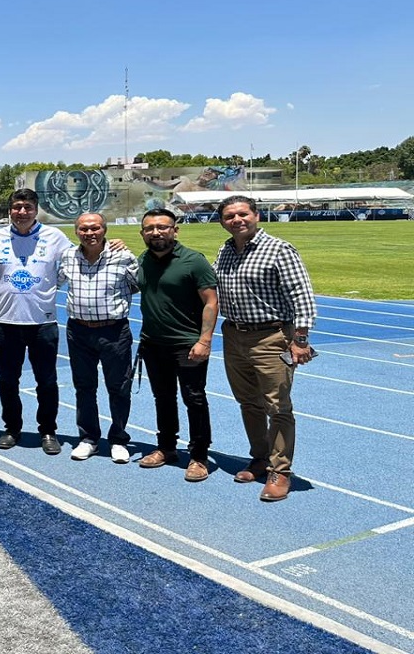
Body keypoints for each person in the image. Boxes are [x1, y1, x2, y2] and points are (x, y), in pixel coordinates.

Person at [213, 195, 317, 502]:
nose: (237, 220)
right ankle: (260, 458)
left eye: (243, 214)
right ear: (223, 222)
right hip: (233, 335)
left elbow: (302, 296)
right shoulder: (226, 250)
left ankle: (280, 470)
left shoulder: (279, 249)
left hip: (271, 336)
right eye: (230, 216)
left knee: (278, 406)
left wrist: (299, 340)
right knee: (248, 402)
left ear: (256, 215)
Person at [0, 188, 74, 455]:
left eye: (28, 207)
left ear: (36, 210)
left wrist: (56, 282)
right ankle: (12, 428)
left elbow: (75, 260)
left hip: (42, 324)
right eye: (17, 207)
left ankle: (48, 430)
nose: (22, 212)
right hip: (6, 323)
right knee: (8, 381)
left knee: (46, 381)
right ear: (10, 209)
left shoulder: (54, 237)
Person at [136, 208, 219, 481]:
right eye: (150, 228)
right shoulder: (143, 260)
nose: (156, 232)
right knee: (163, 398)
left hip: (188, 345)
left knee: (194, 399)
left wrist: (205, 340)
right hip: (153, 344)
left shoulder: (193, 261)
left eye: (162, 227)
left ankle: (198, 455)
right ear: (143, 233)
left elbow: (211, 301)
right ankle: (166, 448)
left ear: (175, 230)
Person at [57, 213, 138, 463]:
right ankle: (89, 438)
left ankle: (118, 439)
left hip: (114, 331)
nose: (89, 233)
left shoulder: (123, 256)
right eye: (84, 229)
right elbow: (52, 281)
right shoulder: (68, 256)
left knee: (119, 387)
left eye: (95, 228)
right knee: (84, 387)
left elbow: (141, 286)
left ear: (104, 230)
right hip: (78, 331)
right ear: (76, 232)